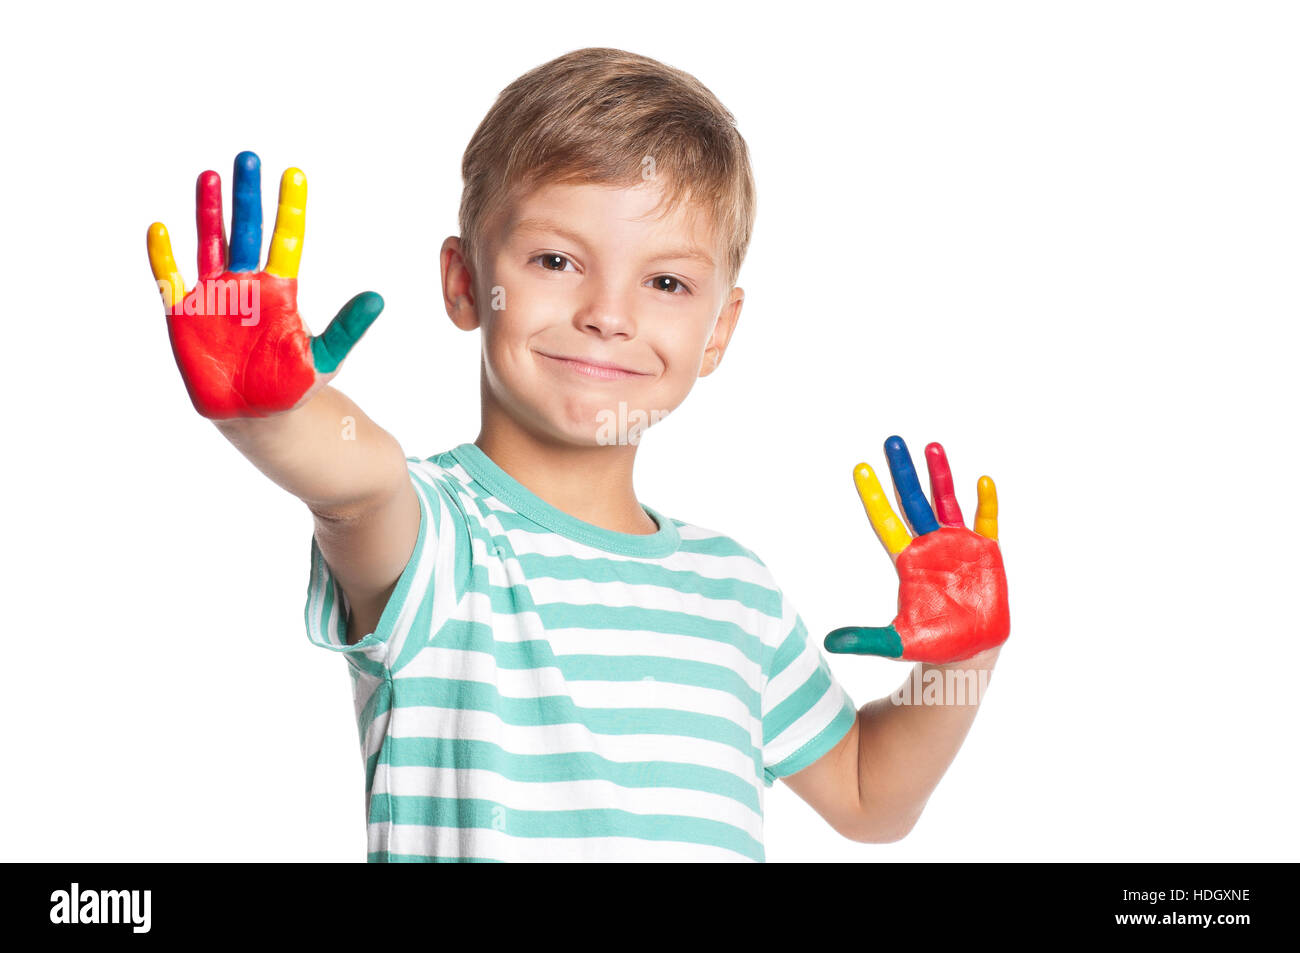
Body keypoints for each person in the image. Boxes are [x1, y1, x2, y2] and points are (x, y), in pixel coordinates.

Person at [146, 46, 1008, 862]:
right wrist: (274, 415)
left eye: (666, 282)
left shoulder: (737, 591)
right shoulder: (438, 540)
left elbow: (869, 795)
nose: (608, 314)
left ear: (719, 330)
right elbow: (356, 484)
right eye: (556, 260)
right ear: (464, 281)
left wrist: (966, 661)